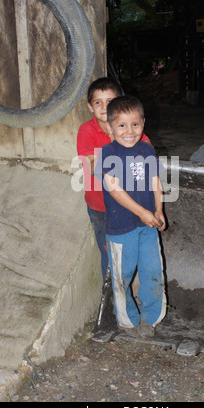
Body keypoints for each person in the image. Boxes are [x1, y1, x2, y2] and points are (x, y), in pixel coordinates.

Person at [94, 95, 167, 340]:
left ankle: (151, 318)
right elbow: (114, 189)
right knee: (122, 276)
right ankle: (128, 322)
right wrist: (143, 212)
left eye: (135, 124)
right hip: (122, 227)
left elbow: (156, 181)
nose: (129, 131)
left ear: (143, 124)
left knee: (152, 270)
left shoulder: (147, 149)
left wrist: (158, 210)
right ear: (109, 127)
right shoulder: (107, 153)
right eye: (122, 125)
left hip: (148, 225)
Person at [76, 78, 150, 282]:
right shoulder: (87, 130)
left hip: (131, 204)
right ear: (90, 106)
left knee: (133, 250)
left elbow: (147, 161)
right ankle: (109, 295)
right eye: (98, 102)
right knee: (109, 253)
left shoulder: (131, 130)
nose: (104, 107)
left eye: (110, 101)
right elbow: (92, 167)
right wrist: (113, 144)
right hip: (101, 206)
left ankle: (130, 286)